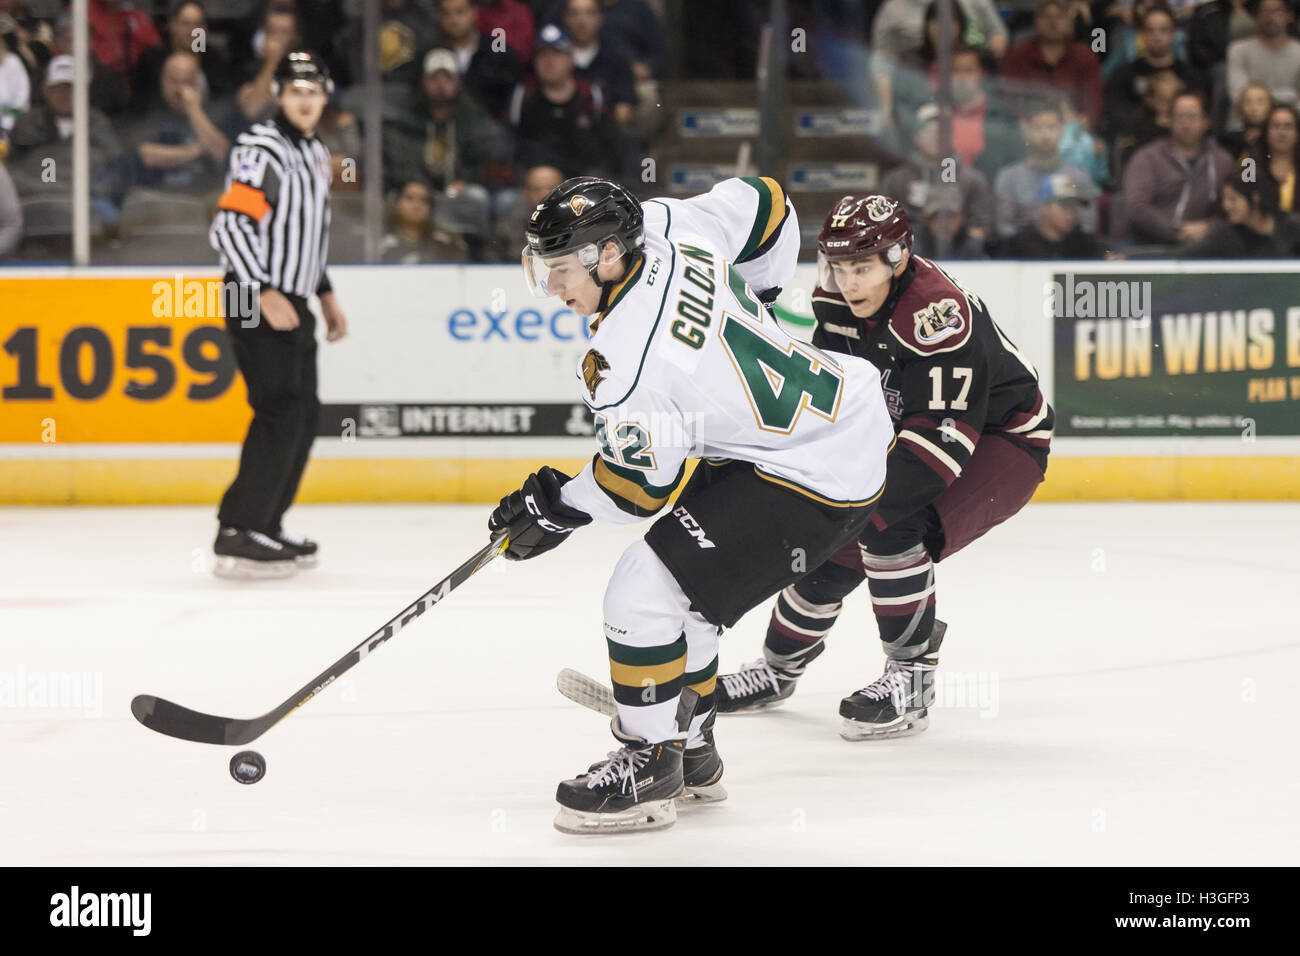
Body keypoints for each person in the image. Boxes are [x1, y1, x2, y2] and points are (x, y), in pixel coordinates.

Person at [489, 177, 894, 832]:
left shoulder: (624, 360)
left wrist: (556, 507)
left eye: (561, 270)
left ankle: (650, 762)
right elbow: (771, 202)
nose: (553, 288)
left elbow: (638, 488)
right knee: (691, 599)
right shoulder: (671, 223)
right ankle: (694, 748)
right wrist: (758, 299)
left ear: (610, 257)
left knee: (641, 592)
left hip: (810, 474)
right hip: (846, 419)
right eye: (543, 267)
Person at [714, 196, 1053, 741]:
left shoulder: (936, 318)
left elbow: (939, 449)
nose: (848, 283)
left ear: (898, 260)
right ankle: (775, 673)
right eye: (840, 267)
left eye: (863, 268)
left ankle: (912, 679)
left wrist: (843, 510)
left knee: (890, 526)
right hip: (918, 428)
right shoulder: (834, 298)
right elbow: (841, 398)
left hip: (1002, 439)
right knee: (826, 551)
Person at [208, 51, 349, 577]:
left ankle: (265, 523)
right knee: (279, 410)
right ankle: (237, 529)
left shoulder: (313, 152)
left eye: (313, 91)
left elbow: (306, 236)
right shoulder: (261, 147)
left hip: (292, 296)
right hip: (254, 296)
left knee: (304, 412)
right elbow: (231, 228)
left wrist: (325, 291)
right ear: (280, 96)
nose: (305, 100)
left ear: (325, 96)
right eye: (295, 91)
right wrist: (263, 289)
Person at [1120, 90, 1232, 244]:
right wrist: (1177, 231)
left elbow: (1233, 209)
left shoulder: (1223, 161)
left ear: (1206, 121)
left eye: (1192, 116)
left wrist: (1208, 228)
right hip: (1150, 244)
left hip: (1205, 247)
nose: (1186, 124)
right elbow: (1137, 207)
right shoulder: (1147, 158)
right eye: (1180, 116)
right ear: (1169, 120)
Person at [880, 102, 995, 245]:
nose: (936, 137)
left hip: (961, 259)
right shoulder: (896, 181)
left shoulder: (973, 181)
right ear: (917, 137)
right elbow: (885, 228)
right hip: (911, 256)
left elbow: (982, 227)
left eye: (942, 132)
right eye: (928, 130)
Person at [993, 97, 1098, 238]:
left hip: (1068, 256)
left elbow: (1087, 228)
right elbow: (1004, 228)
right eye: (1037, 127)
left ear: (1062, 129)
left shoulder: (1079, 178)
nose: (1045, 135)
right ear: (1024, 128)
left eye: (1051, 127)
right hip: (1021, 255)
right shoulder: (1008, 178)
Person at [1001, 0, 1104, 134]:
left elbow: (1093, 100)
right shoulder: (1017, 56)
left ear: (1069, 22)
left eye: (1059, 17)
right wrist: (1023, 125)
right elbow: (1010, 99)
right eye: (1046, 17)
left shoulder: (1085, 56)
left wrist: (1085, 124)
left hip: (1074, 130)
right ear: (1036, 21)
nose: (1053, 22)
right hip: (1029, 132)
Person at [133, 51, 229, 194]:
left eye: (186, 82)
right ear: (163, 81)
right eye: (174, 81)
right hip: (159, 196)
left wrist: (194, 110)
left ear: (198, 83)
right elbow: (148, 155)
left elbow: (220, 152)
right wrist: (197, 150)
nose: (179, 89)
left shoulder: (213, 112)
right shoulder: (149, 111)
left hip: (204, 196)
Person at [1180, 170, 1300, 255]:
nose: (1226, 206)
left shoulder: (1293, 226)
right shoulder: (1225, 237)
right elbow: (1183, 257)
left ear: (1255, 197)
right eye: (1224, 199)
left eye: (1233, 199)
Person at [1003, 172, 1107, 257]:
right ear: (1044, 206)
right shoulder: (1018, 245)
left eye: (1074, 206)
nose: (1071, 212)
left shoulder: (1084, 245)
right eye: (1065, 205)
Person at [1226, 0, 1300, 107]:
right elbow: (1239, 96)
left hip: (1291, 119)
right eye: (1265, 11)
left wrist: (1261, 99)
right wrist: (1289, 95)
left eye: (1277, 11)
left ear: (1289, 16)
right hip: (1248, 120)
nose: (1271, 18)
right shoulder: (1238, 50)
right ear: (1256, 16)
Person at [379, 178, 470, 262]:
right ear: (397, 203)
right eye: (409, 198)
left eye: (424, 200)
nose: (417, 206)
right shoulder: (379, 245)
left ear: (431, 208)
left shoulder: (447, 244)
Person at [1256, 103, 1299, 215]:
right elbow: (1242, 202)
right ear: (1266, 132)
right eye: (1275, 126)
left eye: (1288, 127)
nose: (1282, 133)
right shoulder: (1250, 164)